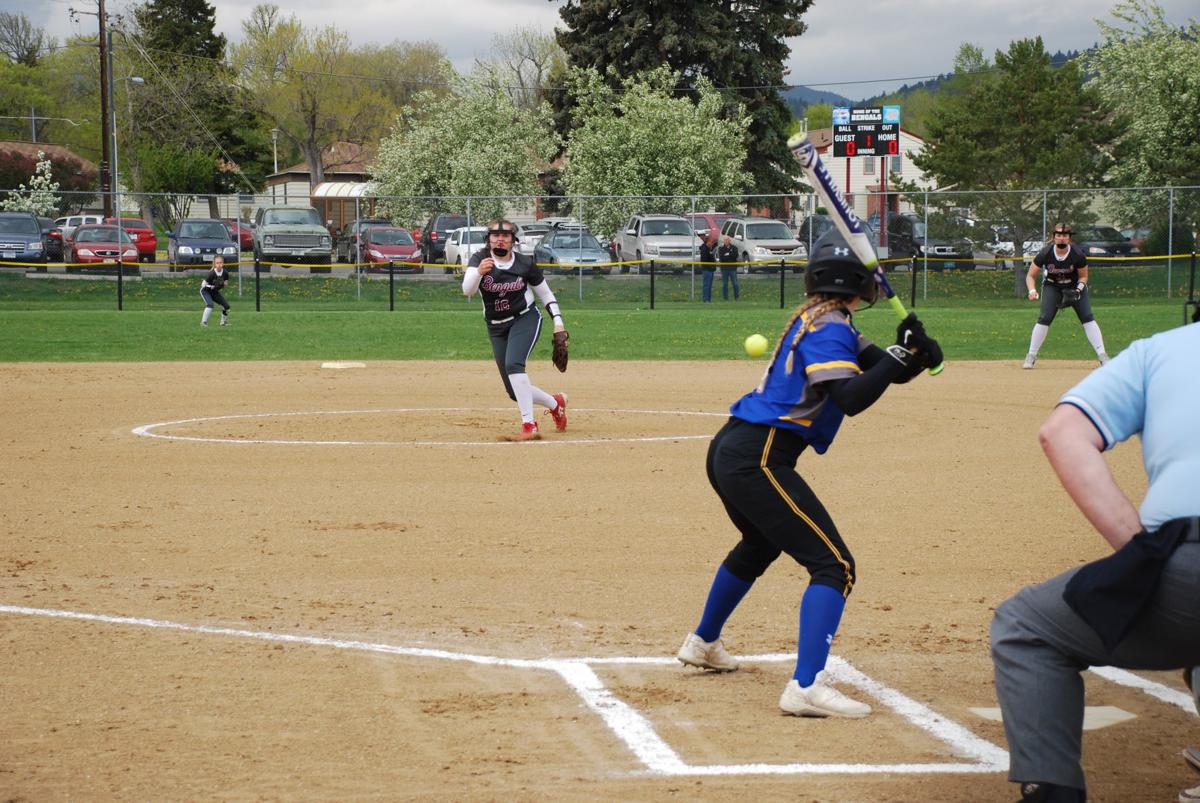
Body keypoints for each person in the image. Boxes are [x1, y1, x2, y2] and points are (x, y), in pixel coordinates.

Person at [675, 228, 942, 717]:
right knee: (834, 565)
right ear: (860, 283)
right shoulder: (830, 328)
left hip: (735, 448)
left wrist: (916, 354)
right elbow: (851, 397)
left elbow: (884, 369)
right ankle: (805, 686)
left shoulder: (821, 317)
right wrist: (902, 357)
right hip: (759, 455)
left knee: (760, 544)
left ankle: (703, 642)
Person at [990, 319, 1200, 801]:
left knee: (1026, 627)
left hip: (1189, 566)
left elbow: (1062, 433)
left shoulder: (1161, 350)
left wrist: (1142, 557)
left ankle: (1054, 793)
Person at [463, 219, 568, 442]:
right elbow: (468, 291)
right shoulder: (480, 259)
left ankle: (529, 424)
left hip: (525, 318)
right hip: (495, 326)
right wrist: (478, 273)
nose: (500, 239)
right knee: (514, 391)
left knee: (514, 366)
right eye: (495, 235)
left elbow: (546, 294)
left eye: (505, 235)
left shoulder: (524, 263)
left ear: (513, 240)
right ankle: (555, 403)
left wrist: (558, 322)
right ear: (488, 238)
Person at [1022, 223, 1109, 369]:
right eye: (1059, 235)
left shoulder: (1077, 254)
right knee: (1044, 318)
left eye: (1065, 236)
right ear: (1054, 237)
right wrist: (1032, 291)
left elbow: (1083, 277)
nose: (1062, 238)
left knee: (1087, 317)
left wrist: (1077, 291)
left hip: (1074, 286)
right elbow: (1030, 275)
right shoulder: (1046, 253)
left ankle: (1102, 355)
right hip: (1052, 286)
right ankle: (1031, 355)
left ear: (1069, 238)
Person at [200, 254, 230, 327]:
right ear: (214, 264)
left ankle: (223, 322)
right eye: (217, 263)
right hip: (205, 291)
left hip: (214, 292)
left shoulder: (225, 273)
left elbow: (226, 282)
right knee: (210, 305)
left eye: (220, 262)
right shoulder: (212, 273)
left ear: (223, 263)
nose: (219, 264)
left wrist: (223, 284)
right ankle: (203, 322)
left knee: (226, 306)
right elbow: (203, 284)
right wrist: (211, 286)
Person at [717, 234, 740, 301]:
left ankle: (736, 298)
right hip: (724, 269)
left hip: (732, 268)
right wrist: (729, 255)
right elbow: (722, 258)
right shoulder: (721, 248)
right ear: (723, 241)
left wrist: (728, 255)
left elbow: (735, 256)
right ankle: (725, 298)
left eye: (727, 240)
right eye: (725, 240)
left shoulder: (734, 248)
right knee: (725, 284)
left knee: (735, 283)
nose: (726, 241)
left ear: (730, 241)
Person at [699, 231, 718, 303]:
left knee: (709, 285)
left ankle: (708, 299)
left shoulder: (709, 249)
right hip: (707, 269)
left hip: (711, 269)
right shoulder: (704, 249)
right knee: (706, 285)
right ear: (707, 242)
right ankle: (705, 299)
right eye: (710, 243)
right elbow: (704, 259)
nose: (711, 244)